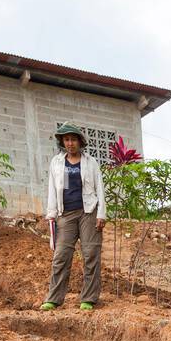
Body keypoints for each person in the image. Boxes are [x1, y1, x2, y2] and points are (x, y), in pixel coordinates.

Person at [41, 123, 105, 311]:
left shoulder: (90, 162)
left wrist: (101, 213)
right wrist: (51, 214)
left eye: (73, 139)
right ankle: (54, 298)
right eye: (66, 140)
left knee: (90, 254)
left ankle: (89, 298)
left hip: (88, 212)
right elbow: (54, 188)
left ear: (80, 141)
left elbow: (99, 188)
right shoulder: (57, 162)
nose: (70, 143)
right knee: (61, 255)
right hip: (65, 214)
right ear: (63, 142)